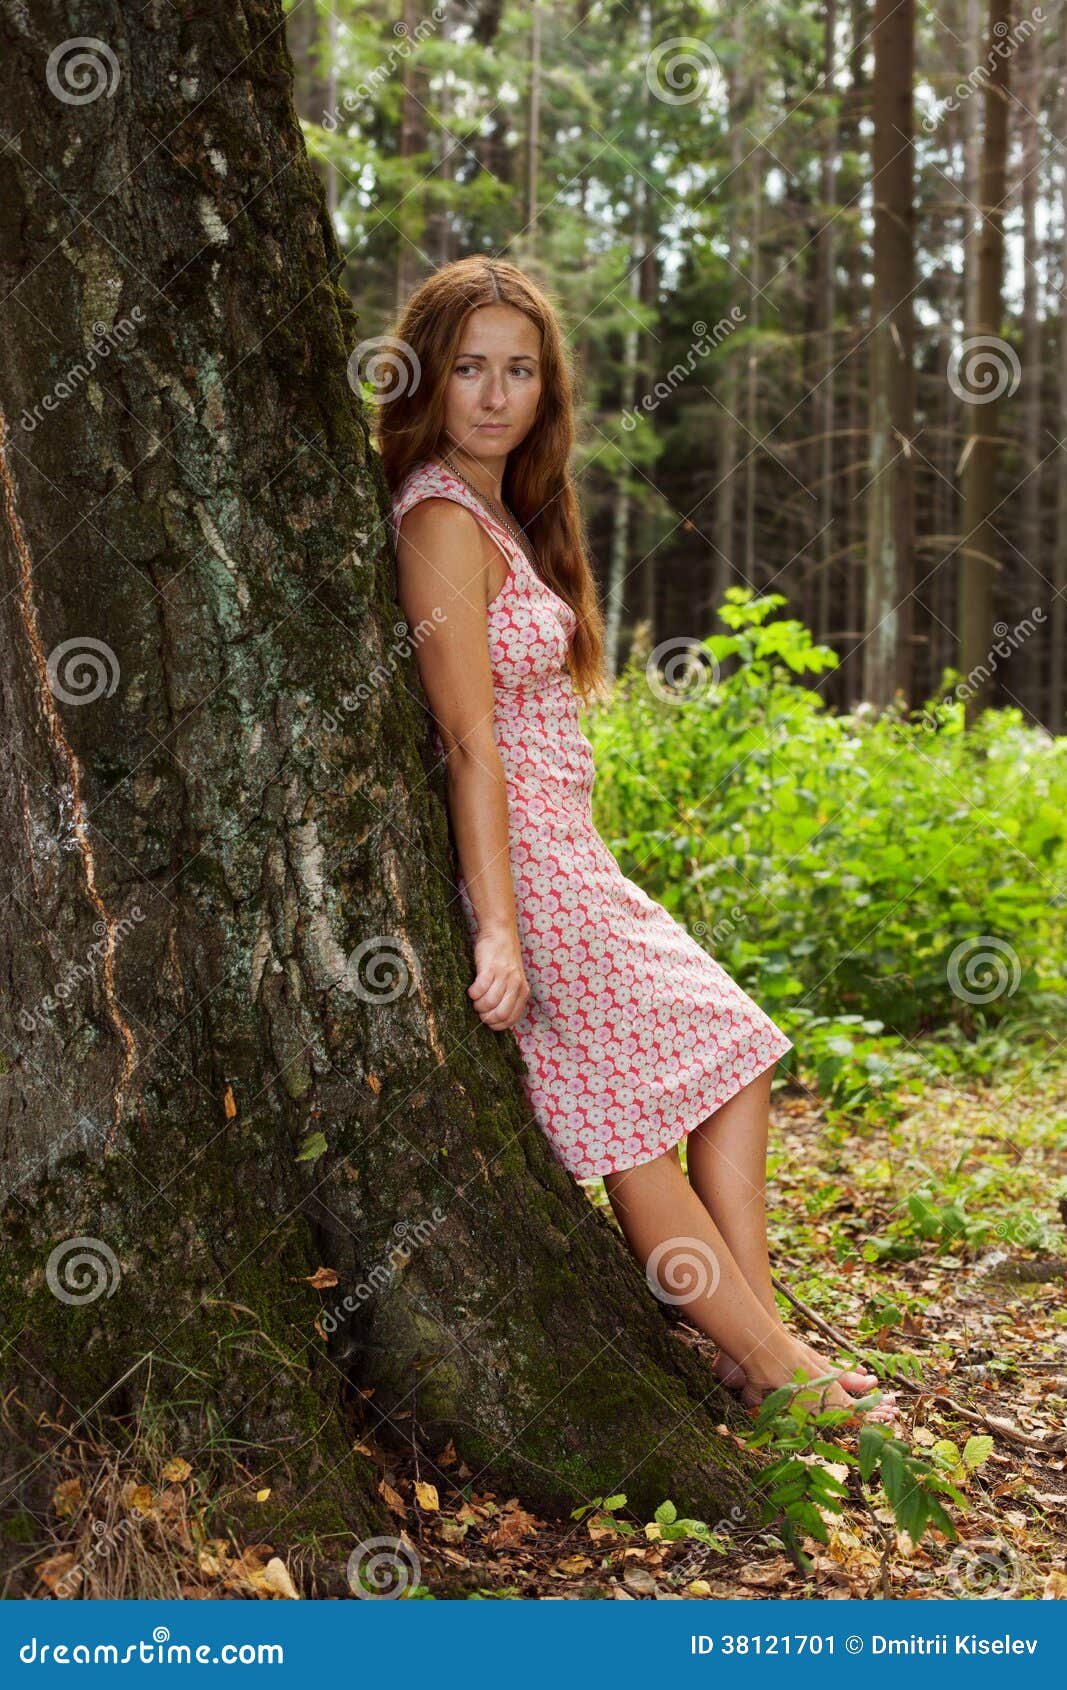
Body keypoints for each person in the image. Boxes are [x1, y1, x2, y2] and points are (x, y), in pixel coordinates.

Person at [379, 256, 895, 1420]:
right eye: (468, 369)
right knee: (625, 1125)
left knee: (732, 1044)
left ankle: (746, 1340)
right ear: (427, 377)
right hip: (531, 871)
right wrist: (499, 929)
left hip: (575, 853)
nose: (495, 395)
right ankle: (776, 1370)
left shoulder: (502, 517)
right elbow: (465, 741)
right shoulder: (437, 520)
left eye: (518, 370)